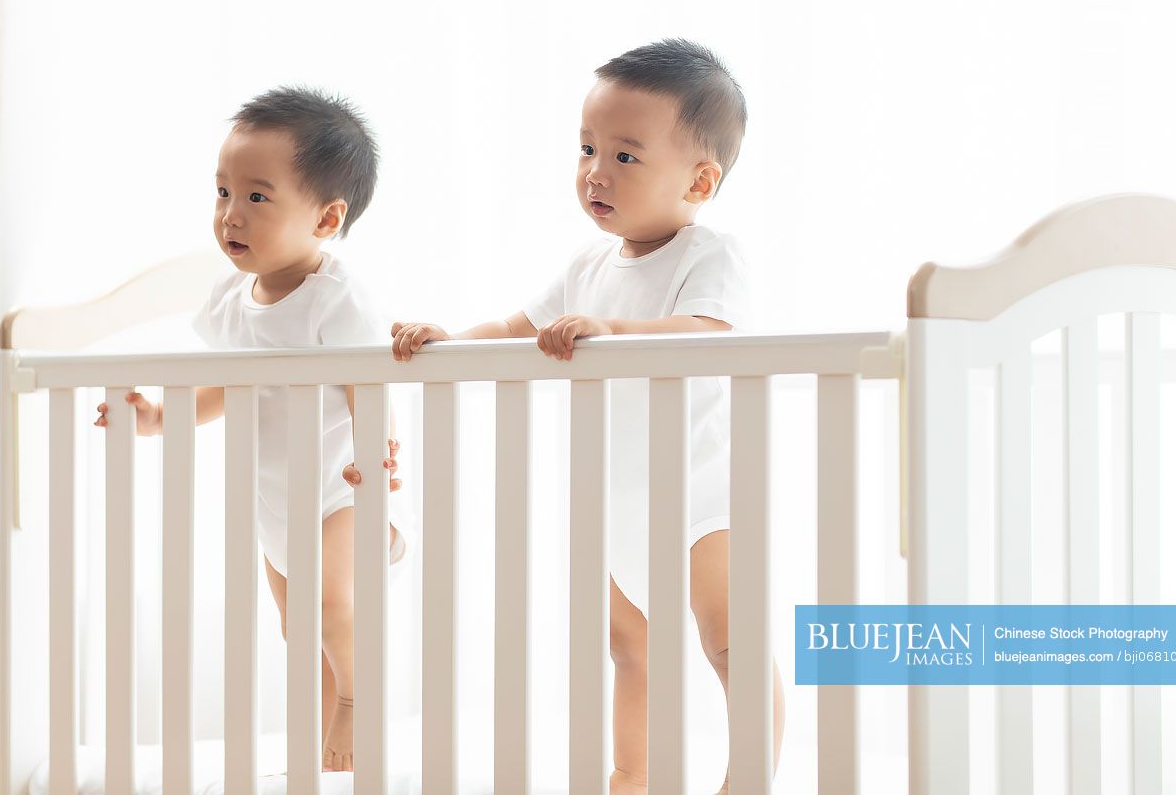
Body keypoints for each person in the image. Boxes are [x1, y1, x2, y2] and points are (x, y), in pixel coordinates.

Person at [390, 39, 784, 793]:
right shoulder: (587, 267)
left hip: (701, 498)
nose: (595, 171)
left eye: (626, 155)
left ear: (700, 179)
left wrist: (618, 334)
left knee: (728, 641)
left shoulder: (709, 254)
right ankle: (629, 775)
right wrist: (448, 338)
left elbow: (713, 332)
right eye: (585, 147)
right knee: (627, 647)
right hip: (617, 500)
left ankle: (748, 776)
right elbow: (515, 327)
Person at [96, 86, 408, 772]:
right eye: (222, 192)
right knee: (301, 632)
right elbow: (228, 386)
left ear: (326, 218)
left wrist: (374, 455)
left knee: (331, 611)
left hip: (340, 492)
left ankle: (359, 698)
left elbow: (370, 380)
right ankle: (330, 756)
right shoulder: (230, 296)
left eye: (257, 197)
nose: (231, 215)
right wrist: (155, 417)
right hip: (274, 504)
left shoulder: (335, 298)